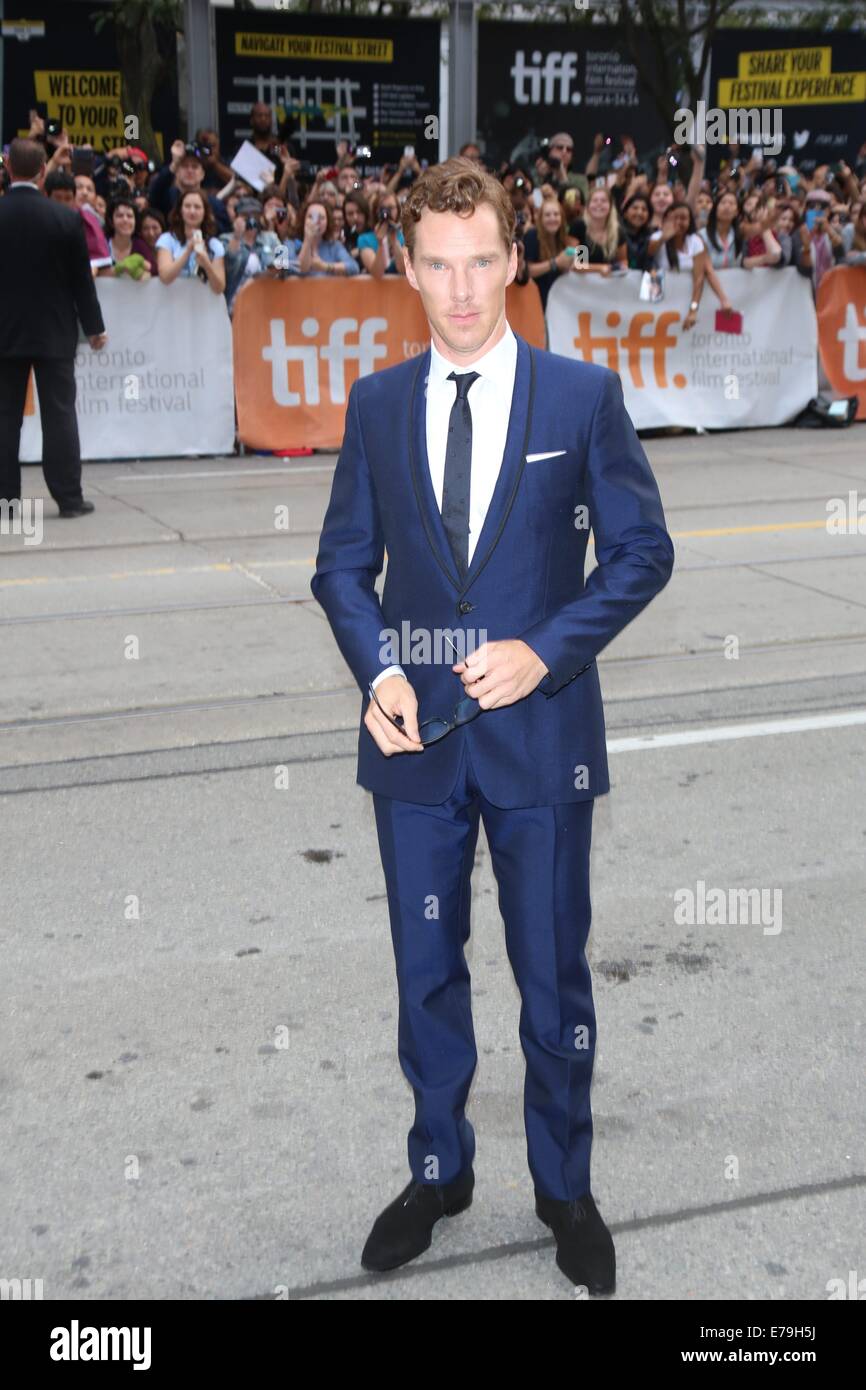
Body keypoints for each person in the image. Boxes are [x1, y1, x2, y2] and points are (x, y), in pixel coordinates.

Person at [310, 155, 674, 1294]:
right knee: (425, 971)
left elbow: (640, 552)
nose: (460, 289)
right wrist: (376, 670)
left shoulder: (577, 397)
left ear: (514, 259)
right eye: (437, 265)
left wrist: (545, 647)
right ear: (406, 269)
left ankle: (563, 1188)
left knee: (550, 977)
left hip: (538, 742)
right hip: (413, 747)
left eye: (481, 262)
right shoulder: (375, 406)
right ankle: (439, 1168)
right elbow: (339, 566)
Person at [0, 139, 106, 518]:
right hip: (54, 332)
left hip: (5, 333)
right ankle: (69, 498)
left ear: (8, 169)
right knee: (60, 415)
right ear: (43, 170)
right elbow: (82, 281)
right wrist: (94, 327)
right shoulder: (64, 218)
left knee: (4, 417)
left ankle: (7, 502)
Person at [649, 201, 731, 328]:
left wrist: (693, 310)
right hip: (659, 300)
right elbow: (648, 252)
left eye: (683, 218)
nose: (678, 222)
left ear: (690, 222)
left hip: (683, 301)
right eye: (674, 218)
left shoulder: (695, 241)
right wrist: (663, 238)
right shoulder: (656, 237)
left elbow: (698, 279)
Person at [156, 189, 226, 296]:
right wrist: (188, 251)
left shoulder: (214, 244)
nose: (192, 211)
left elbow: (219, 287)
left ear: (205, 212)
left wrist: (206, 263)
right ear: (180, 210)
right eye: (187, 206)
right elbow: (165, 277)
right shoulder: (167, 239)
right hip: (171, 305)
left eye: (197, 207)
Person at [220, 197, 284, 311]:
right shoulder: (225, 239)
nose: (251, 219)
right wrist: (237, 237)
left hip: (265, 306)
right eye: (245, 216)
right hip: (234, 307)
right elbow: (228, 266)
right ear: (236, 218)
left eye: (254, 215)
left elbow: (284, 264)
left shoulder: (271, 237)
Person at [569, 185, 628, 270]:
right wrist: (602, 268)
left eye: (603, 201)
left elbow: (623, 261)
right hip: (582, 280)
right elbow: (578, 264)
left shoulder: (617, 231)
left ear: (610, 206)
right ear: (588, 206)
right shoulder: (579, 227)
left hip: (609, 279)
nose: (599, 203)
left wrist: (620, 268)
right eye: (594, 200)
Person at [104, 196, 157, 278]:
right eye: (120, 216)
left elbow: (154, 270)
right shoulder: (102, 243)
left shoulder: (140, 245)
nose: (125, 220)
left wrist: (145, 269)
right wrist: (120, 269)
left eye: (130, 216)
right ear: (111, 221)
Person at [357, 191, 405, 277]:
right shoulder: (364, 239)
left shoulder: (405, 237)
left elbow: (404, 270)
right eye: (382, 208)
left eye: (390, 208)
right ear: (376, 211)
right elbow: (377, 273)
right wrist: (381, 244)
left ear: (398, 210)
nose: (387, 212)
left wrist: (394, 241)